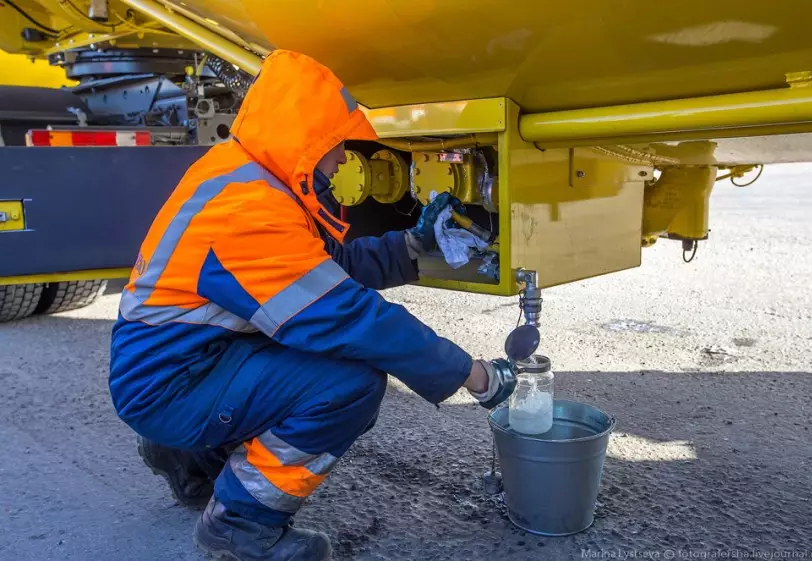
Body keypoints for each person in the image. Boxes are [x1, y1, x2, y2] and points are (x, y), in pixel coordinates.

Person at [109, 49, 513, 561]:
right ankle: (239, 523)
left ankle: (187, 456)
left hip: (183, 364)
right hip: (173, 385)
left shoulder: (242, 176)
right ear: (303, 139)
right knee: (347, 385)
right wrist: (471, 374)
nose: (344, 160)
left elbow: (327, 266)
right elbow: (349, 317)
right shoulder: (250, 212)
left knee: (312, 363)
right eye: (336, 145)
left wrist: (414, 246)